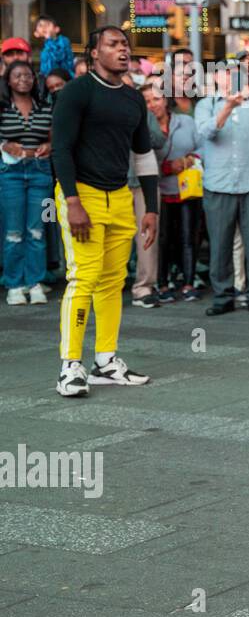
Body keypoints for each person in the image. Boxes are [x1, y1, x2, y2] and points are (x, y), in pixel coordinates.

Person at [50, 26, 158, 397]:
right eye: (113, 44)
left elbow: (143, 155)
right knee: (84, 277)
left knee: (113, 282)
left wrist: (152, 208)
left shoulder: (133, 98)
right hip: (83, 195)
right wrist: (73, 200)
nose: (122, 49)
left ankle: (105, 361)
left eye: (125, 44)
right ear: (94, 53)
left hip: (120, 198)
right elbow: (61, 149)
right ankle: (69, 366)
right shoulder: (77, 91)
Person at [195, 60, 249, 317]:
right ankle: (223, 295)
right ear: (217, 78)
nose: (230, 77)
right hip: (218, 186)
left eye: (235, 73)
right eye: (225, 73)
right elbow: (205, 133)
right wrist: (227, 107)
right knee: (220, 244)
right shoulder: (206, 105)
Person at [1, 60, 54, 304]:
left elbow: (55, 137)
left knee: (37, 230)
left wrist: (49, 145)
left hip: (41, 171)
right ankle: (14, 284)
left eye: (28, 75)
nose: (23, 79)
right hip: (9, 171)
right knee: (13, 232)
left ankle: (35, 283)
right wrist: (3, 144)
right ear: (8, 80)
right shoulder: (2, 107)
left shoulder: (44, 106)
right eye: (17, 75)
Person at [145, 79, 201, 302]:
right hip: (158, 190)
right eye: (147, 101)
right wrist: (166, 168)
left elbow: (203, 147)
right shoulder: (142, 128)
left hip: (188, 188)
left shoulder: (186, 122)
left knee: (189, 237)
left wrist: (189, 159)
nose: (152, 105)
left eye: (156, 99)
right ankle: (162, 282)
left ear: (166, 100)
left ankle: (189, 283)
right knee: (163, 238)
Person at [128, 78, 167, 308]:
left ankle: (144, 287)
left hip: (144, 182)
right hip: (115, 181)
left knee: (148, 236)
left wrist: (137, 125)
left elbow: (160, 140)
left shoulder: (145, 115)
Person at [34, 15, 75, 84]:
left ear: (57, 29)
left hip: (65, 79)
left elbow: (58, 56)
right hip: (49, 81)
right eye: (40, 25)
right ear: (36, 33)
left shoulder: (63, 41)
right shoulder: (44, 49)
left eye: (47, 25)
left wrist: (49, 39)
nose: (44, 27)